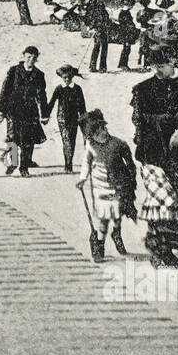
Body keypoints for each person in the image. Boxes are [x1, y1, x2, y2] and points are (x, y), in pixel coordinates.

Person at [131, 46, 178, 267]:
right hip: (153, 155)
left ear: (173, 63)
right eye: (155, 66)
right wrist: (167, 119)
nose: (158, 70)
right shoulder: (142, 89)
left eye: (163, 65)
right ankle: (160, 251)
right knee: (160, 203)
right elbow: (139, 120)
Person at [75, 109, 136, 262]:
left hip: (116, 186)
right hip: (99, 187)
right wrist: (82, 178)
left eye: (103, 128)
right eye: (97, 131)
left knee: (116, 214)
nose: (102, 132)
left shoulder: (118, 144)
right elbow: (86, 163)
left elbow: (130, 164)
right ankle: (100, 245)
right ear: (92, 135)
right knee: (103, 218)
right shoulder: (90, 147)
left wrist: (130, 180)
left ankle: (116, 233)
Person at [0, 46, 49, 177]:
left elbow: (42, 95)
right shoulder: (14, 71)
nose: (31, 60)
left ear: (37, 58)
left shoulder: (39, 75)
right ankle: (13, 163)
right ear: (23, 56)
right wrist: (1, 111)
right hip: (13, 110)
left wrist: (44, 114)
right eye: (28, 57)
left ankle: (24, 168)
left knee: (28, 141)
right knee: (12, 138)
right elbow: (5, 91)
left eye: (34, 57)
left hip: (30, 112)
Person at [46, 64, 86, 173]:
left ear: (72, 76)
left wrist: (84, 119)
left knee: (72, 141)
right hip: (62, 118)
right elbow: (51, 103)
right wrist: (46, 115)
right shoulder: (59, 88)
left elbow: (82, 106)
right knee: (66, 140)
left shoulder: (77, 89)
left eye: (69, 77)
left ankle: (69, 163)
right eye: (65, 77)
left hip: (74, 118)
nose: (67, 79)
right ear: (61, 77)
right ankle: (68, 165)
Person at [84, 0, 110, 73]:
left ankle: (92, 67)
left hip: (98, 31)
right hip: (102, 31)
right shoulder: (102, 11)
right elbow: (105, 21)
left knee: (96, 48)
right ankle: (102, 68)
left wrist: (92, 27)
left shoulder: (93, 11)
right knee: (103, 48)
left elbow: (89, 21)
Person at [113, 0, 137, 71]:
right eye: (132, 5)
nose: (132, 7)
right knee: (126, 49)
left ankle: (122, 64)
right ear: (129, 5)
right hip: (126, 33)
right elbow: (127, 24)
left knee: (126, 49)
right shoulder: (125, 13)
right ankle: (123, 65)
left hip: (125, 32)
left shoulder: (123, 12)